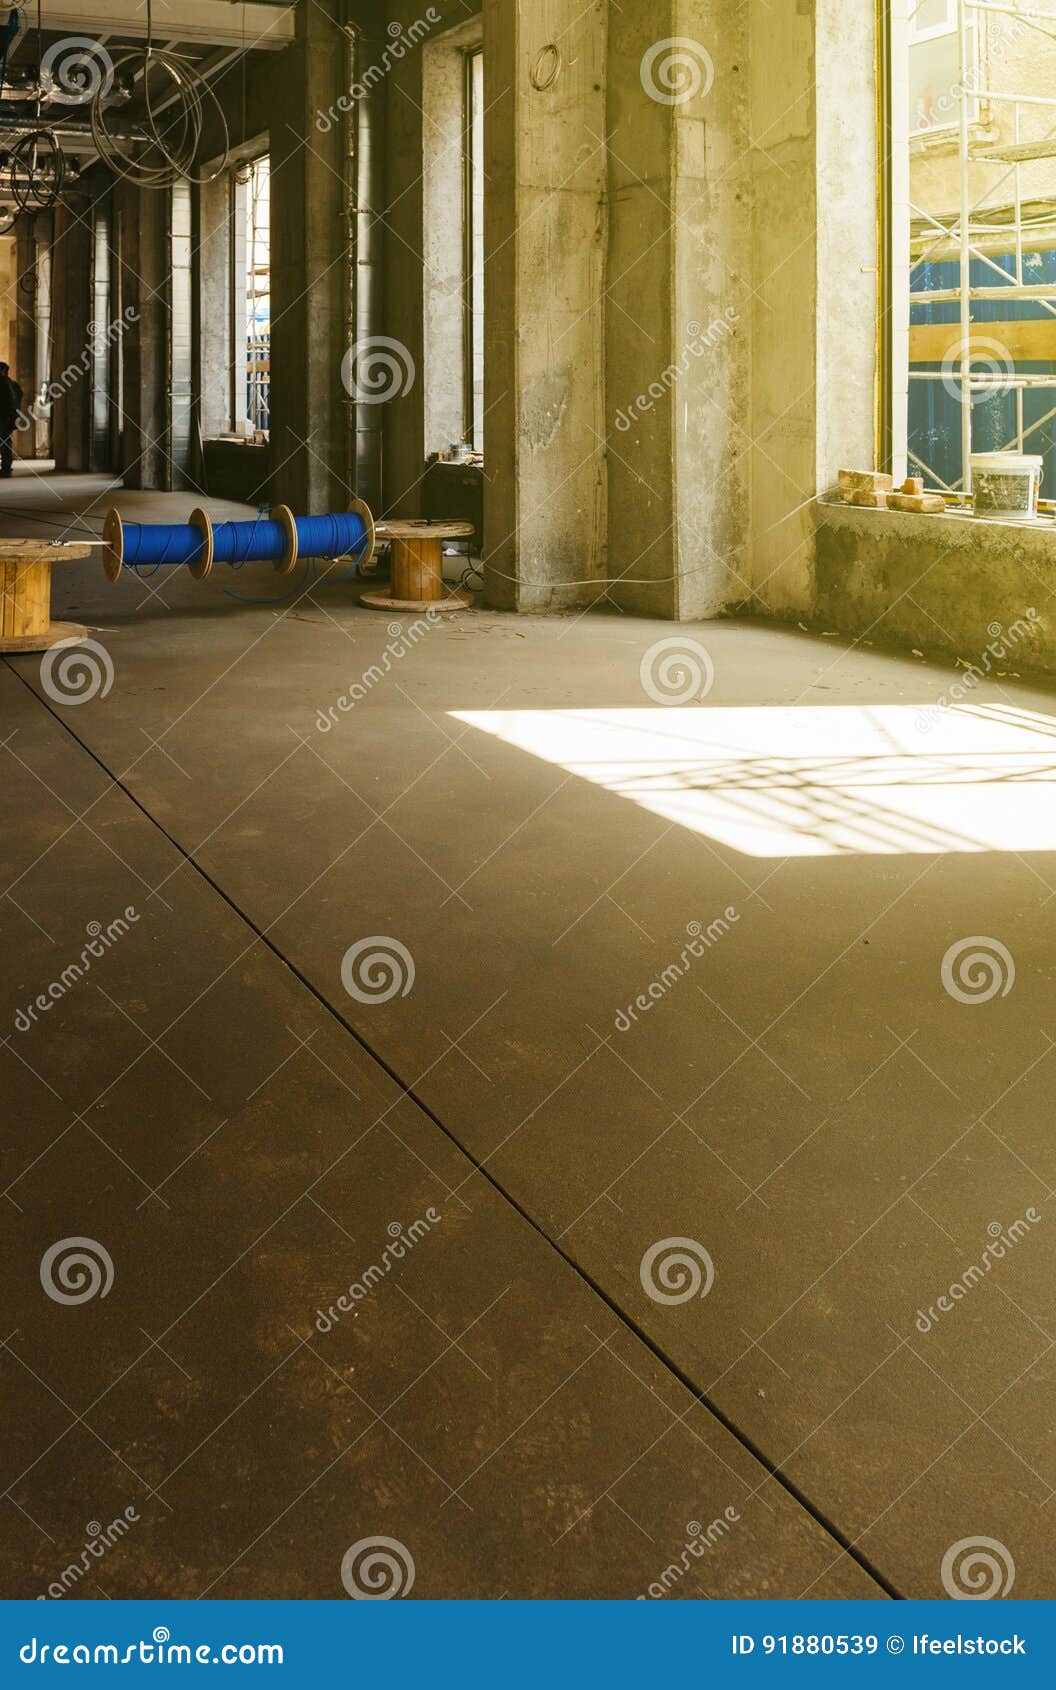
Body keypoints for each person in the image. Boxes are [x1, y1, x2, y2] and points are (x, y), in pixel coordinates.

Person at [0, 361, 22, 478]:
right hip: (9, 417)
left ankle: (6, 468)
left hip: (4, 417)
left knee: (4, 442)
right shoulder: (13, 384)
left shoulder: (3, 383)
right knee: (6, 442)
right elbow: (18, 398)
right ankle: (6, 467)